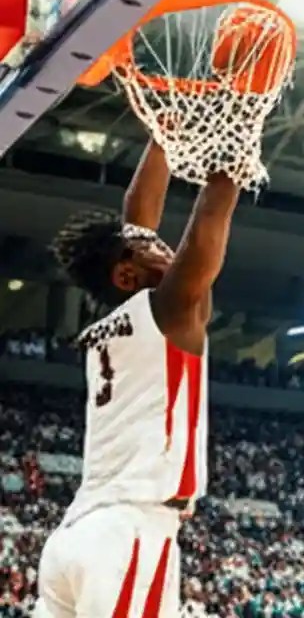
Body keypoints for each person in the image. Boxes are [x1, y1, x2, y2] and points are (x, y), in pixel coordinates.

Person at [34, 138, 241, 618]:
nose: (163, 244)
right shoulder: (168, 308)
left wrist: (163, 134)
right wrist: (235, 138)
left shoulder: (116, 321)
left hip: (78, 535)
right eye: (150, 245)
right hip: (127, 532)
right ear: (126, 275)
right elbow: (208, 226)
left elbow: (136, 215)